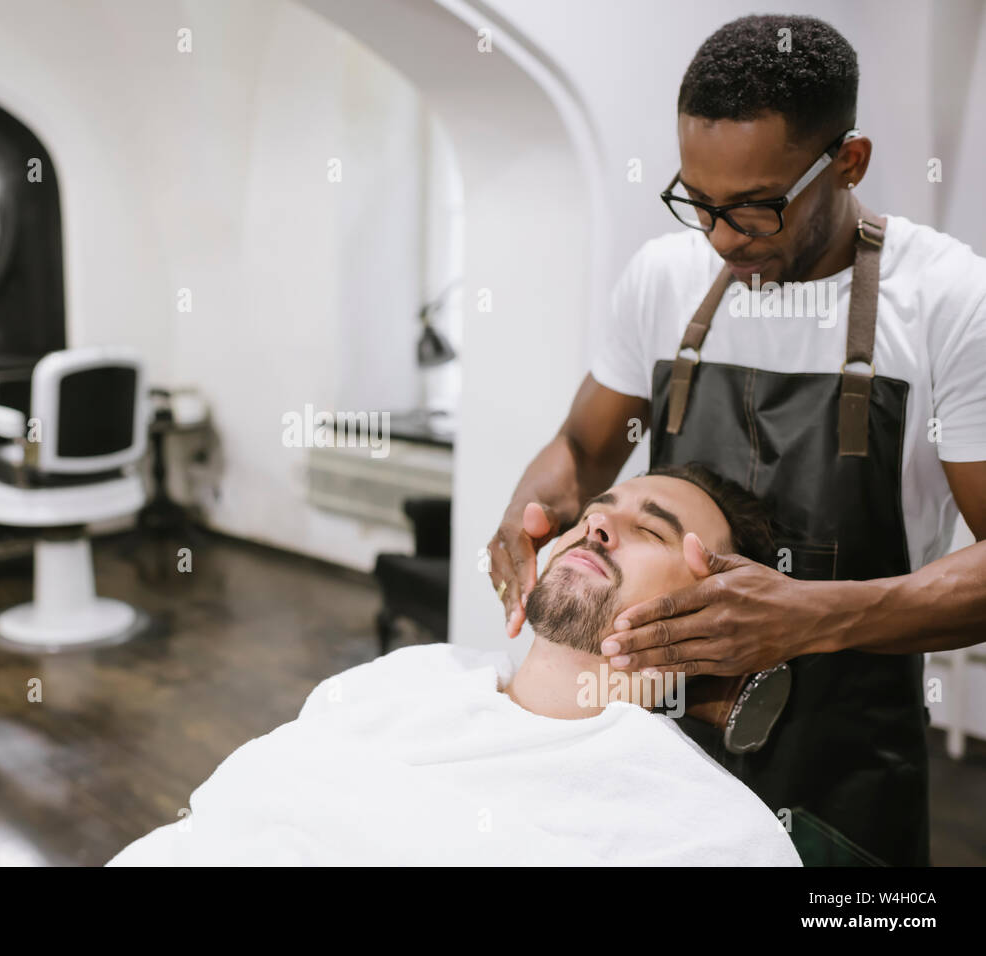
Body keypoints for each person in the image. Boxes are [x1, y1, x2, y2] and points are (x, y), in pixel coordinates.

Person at [486, 14, 986, 867]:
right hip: (654, 731)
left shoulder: (949, 301)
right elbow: (579, 450)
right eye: (700, 203)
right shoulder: (664, 278)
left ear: (849, 162)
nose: (720, 238)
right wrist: (531, 513)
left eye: (756, 210)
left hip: (846, 753)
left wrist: (814, 617)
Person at [109, 466, 800, 866]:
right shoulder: (411, 678)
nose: (597, 527)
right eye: (596, 512)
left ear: (718, 612)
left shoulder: (709, 834)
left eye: (650, 531)